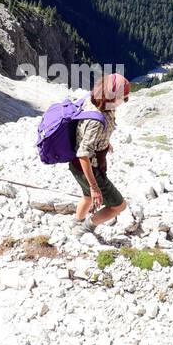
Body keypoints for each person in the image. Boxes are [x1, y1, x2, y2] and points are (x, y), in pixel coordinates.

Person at [69, 72, 130, 232]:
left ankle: (76, 223)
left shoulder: (94, 100)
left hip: (77, 167)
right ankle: (84, 228)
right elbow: (83, 153)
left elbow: (86, 134)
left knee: (87, 197)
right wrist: (95, 187)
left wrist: (104, 142)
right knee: (118, 206)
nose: (124, 101)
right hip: (89, 169)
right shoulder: (96, 120)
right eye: (123, 97)